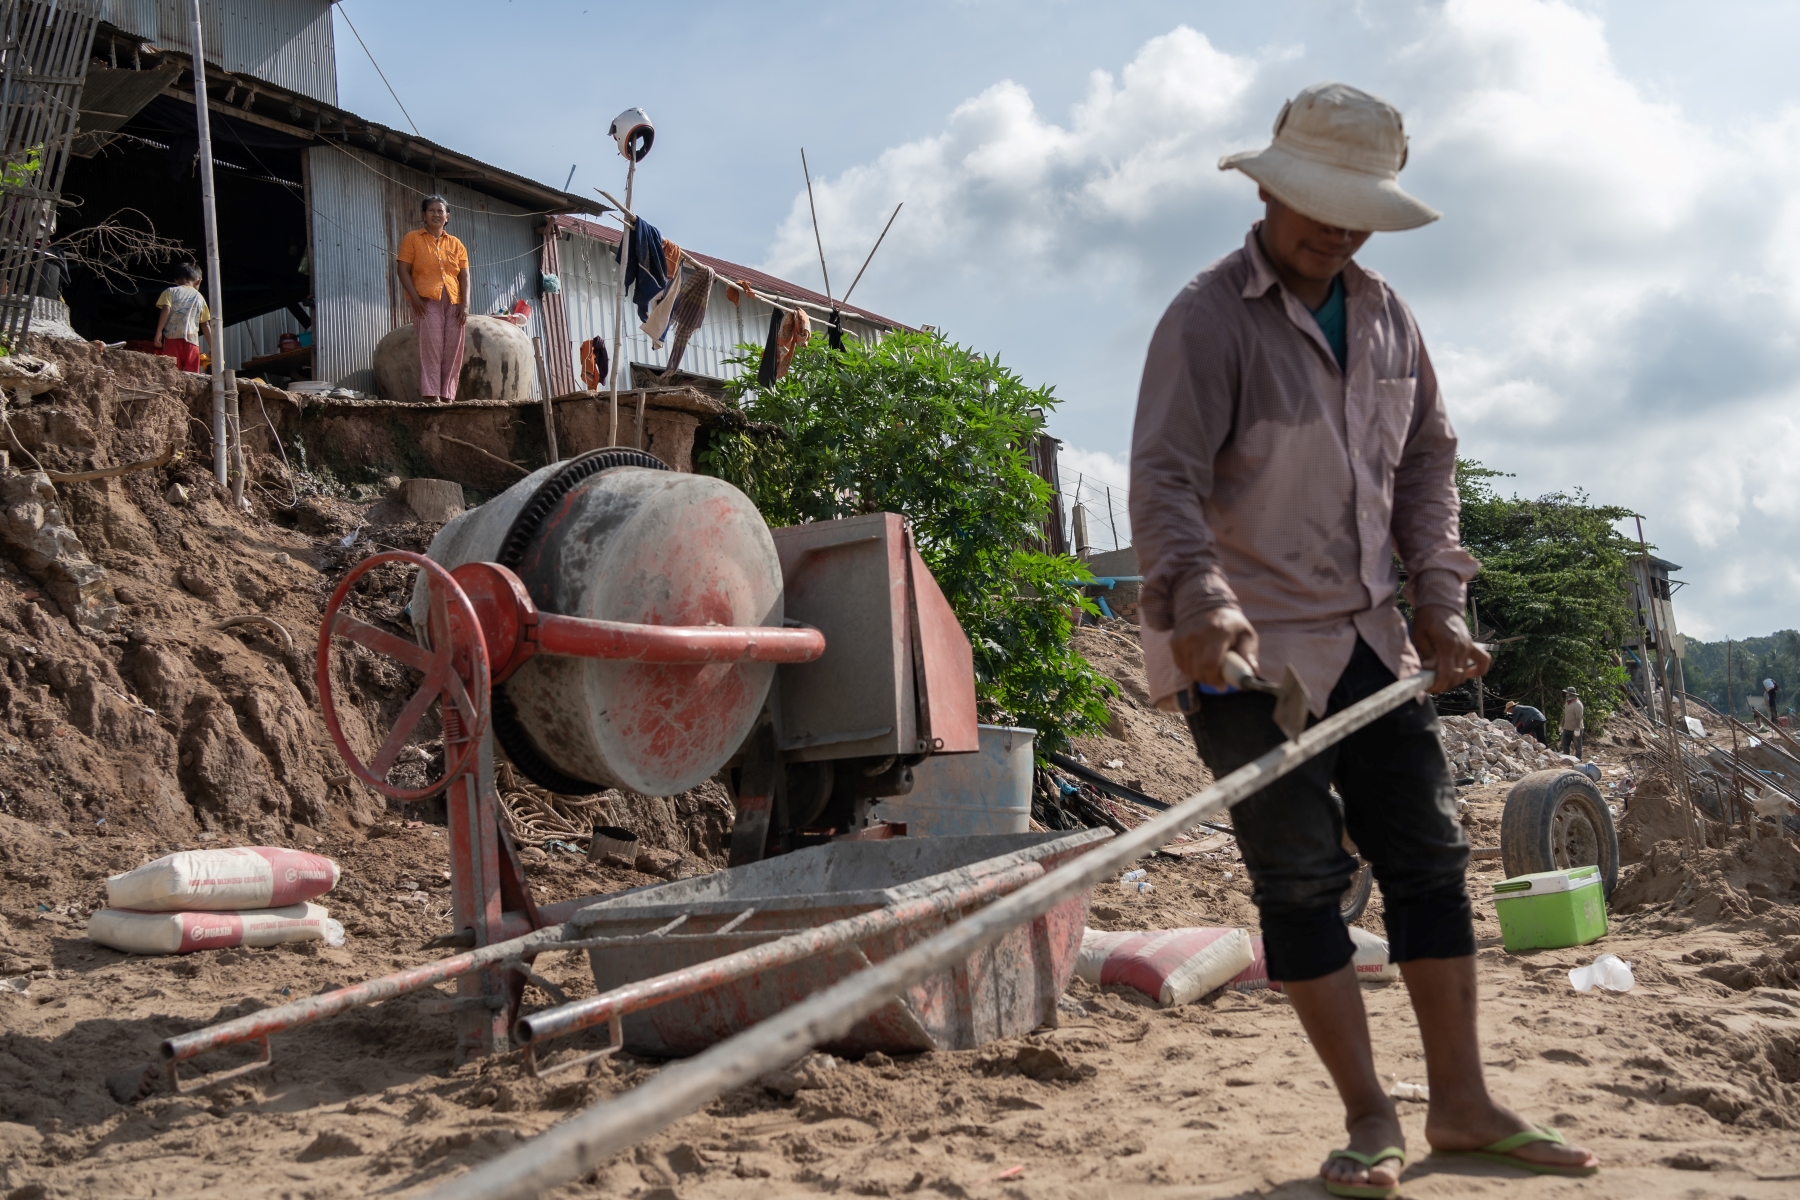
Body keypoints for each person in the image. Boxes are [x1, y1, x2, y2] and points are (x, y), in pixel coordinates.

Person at [1130, 83, 1598, 1197]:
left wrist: (1439, 599)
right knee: (1299, 881)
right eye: (1319, 206)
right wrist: (1199, 601)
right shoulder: (1207, 320)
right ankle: (1369, 1116)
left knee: (1429, 860)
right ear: (1266, 190)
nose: (1337, 232)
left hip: (1371, 644)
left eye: (1357, 214)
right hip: (1243, 658)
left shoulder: (1388, 318)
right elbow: (1165, 480)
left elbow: (1427, 465)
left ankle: (1463, 1104)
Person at [395, 194, 470, 403]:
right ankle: (432, 394)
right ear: (424, 215)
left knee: (453, 348)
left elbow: (464, 275)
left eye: (440, 211)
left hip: (454, 300)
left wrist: (465, 304)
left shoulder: (456, 244)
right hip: (426, 300)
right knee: (432, 346)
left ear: (447, 216)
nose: (436, 214)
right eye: (431, 210)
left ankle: (447, 395)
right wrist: (415, 298)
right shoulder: (412, 238)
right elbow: (402, 270)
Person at [151, 262, 211, 373]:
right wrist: (213, 347)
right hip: (192, 341)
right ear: (198, 281)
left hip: (171, 338)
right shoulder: (200, 298)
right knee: (192, 374)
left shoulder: (170, 291)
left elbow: (166, 309)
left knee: (172, 372)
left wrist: (159, 331)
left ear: (176, 281)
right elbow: (205, 324)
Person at [1560, 688, 1586, 759]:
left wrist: (1577, 729)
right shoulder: (1567, 703)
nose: (1566, 694)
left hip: (1575, 729)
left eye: (1567, 693)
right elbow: (1565, 715)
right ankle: (1566, 758)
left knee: (1577, 745)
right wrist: (1561, 725)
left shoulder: (1578, 704)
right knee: (1564, 744)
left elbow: (1579, 717)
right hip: (1567, 728)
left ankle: (1578, 759)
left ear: (1571, 694)